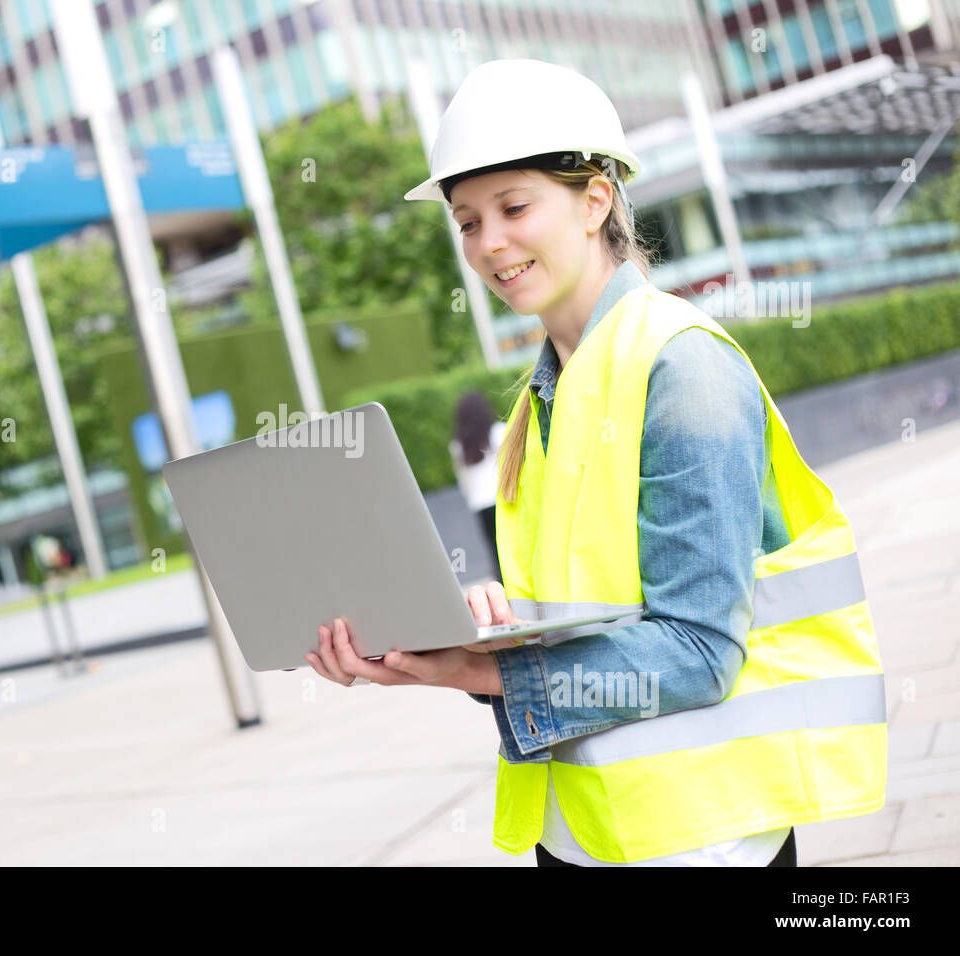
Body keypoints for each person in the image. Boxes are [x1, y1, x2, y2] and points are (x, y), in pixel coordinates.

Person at [304, 59, 886, 867]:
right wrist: (487, 630)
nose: (488, 243)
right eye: (467, 222)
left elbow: (698, 654)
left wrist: (470, 670)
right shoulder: (538, 408)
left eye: (513, 207)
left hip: (700, 838)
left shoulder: (683, 370)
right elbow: (595, 613)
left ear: (595, 199)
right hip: (584, 833)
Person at [449, 391, 507, 583]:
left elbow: (463, 480)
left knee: (494, 548)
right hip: (503, 498)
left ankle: (503, 586)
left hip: (480, 504)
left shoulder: (459, 446)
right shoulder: (499, 432)